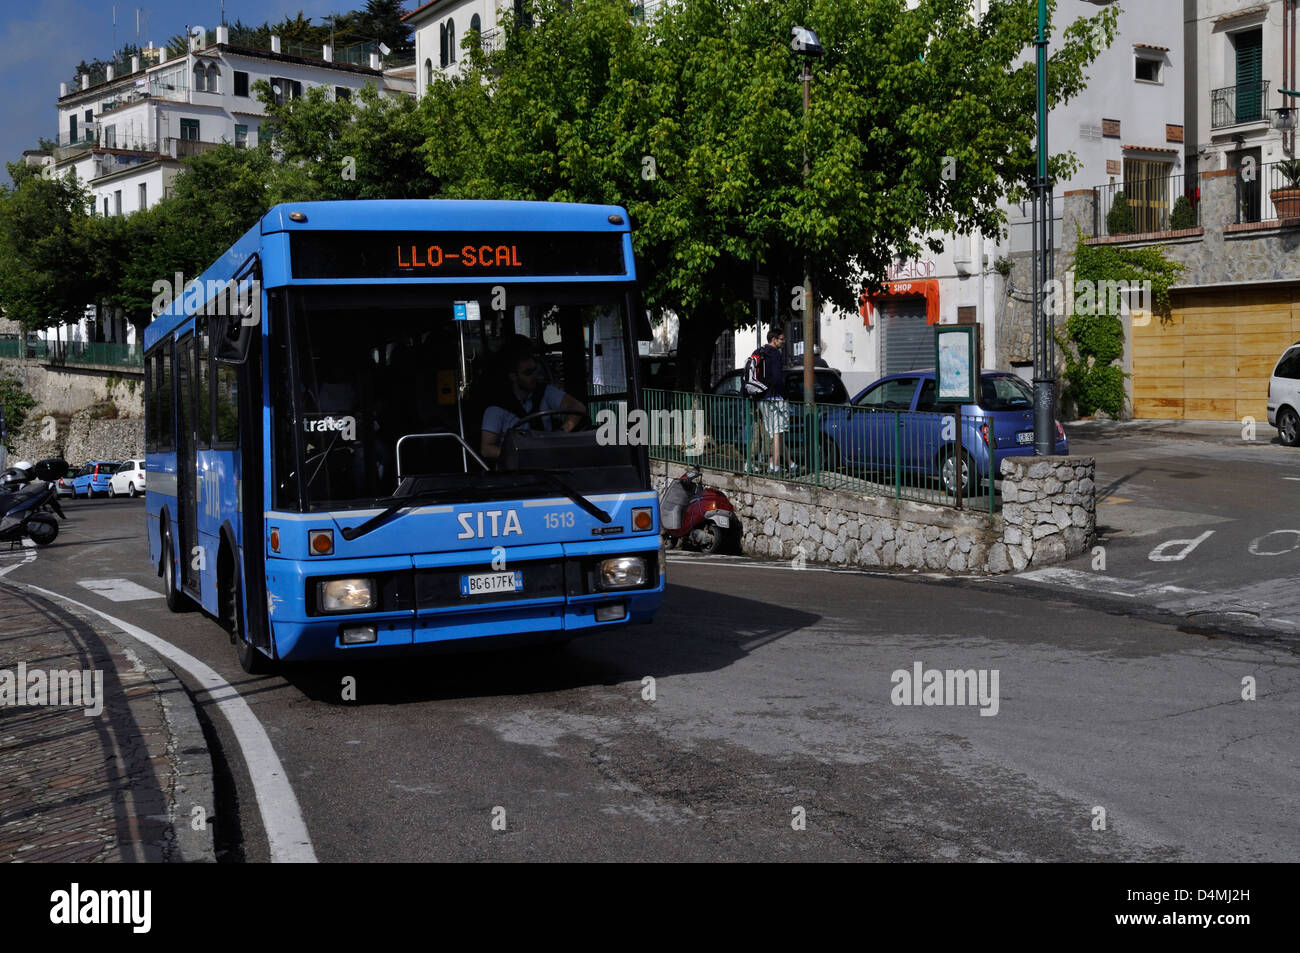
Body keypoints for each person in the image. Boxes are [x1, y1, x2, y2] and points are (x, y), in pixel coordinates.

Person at [480, 343, 587, 461]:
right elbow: (486, 449)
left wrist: (560, 433)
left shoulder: (545, 392)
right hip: (516, 470)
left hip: (550, 460)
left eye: (535, 370)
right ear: (513, 376)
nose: (534, 376)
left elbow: (578, 408)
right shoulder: (497, 407)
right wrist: (520, 454)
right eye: (528, 373)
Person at [757, 327, 793, 474]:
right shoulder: (775, 354)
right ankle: (776, 467)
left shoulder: (760, 352)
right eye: (782, 339)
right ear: (774, 339)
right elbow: (778, 378)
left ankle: (789, 464)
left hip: (762, 399)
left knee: (775, 434)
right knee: (778, 433)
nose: (784, 342)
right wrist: (784, 394)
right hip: (775, 398)